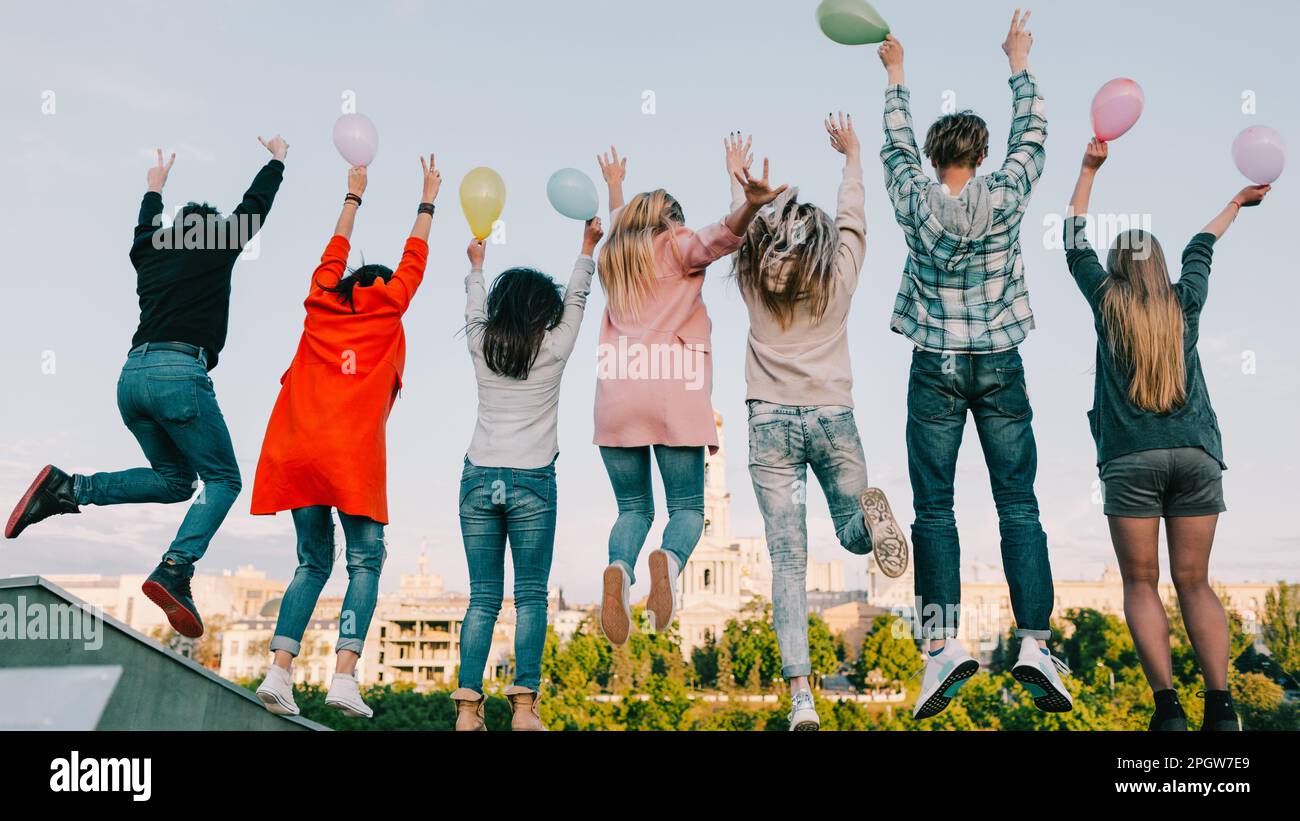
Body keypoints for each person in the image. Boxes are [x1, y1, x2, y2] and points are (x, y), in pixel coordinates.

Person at [5, 138, 288, 639]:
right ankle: (176, 567)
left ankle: (69, 489)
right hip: (179, 376)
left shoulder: (149, 254)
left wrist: (154, 190)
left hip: (131, 380)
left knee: (176, 481)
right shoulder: (218, 247)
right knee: (223, 480)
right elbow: (254, 207)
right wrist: (278, 159)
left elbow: (144, 228)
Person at [877, 11, 1072, 720]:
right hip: (998, 363)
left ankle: (940, 648)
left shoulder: (912, 199)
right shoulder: (1008, 193)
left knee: (935, 508)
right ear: (982, 156)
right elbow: (1037, 134)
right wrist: (1018, 61)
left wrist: (896, 74)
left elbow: (893, 145)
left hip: (934, 362)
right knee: (1017, 501)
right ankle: (1034, 642)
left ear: (935, 161)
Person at [1064, 137, 1268, 731]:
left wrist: (1088, 169)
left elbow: (1073, 240)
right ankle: (1223, 709)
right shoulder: (1186, 303)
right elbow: (1200, 246)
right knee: (1195, 582)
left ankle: (1167, 710)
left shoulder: (1107, 303)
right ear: (1156, 267)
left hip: (1131, 460)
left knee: (1142, 582)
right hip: (1197, 455)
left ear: (1119, 269)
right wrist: (1237, 200)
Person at [725, 119, 908, 731]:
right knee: (853, 532)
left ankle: (803, 696)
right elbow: (854, 219)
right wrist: (852, 157)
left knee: (787, 560)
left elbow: (743, 233)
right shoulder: (840, 277)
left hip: (769, 422)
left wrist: (739, 181)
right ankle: (868, 521)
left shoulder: (753, 279)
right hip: (833, 416)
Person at [252, 157, 439, 720]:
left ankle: (279, 671)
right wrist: (427, 196)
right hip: (350, 460)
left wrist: (353, 195)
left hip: (298, 451)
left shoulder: (318, 305)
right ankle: (343, 675)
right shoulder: (390, 311)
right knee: (364, 564)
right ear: (386, 291)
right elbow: (416, 257)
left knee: (312, 563)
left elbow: (332, 252)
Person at [593, 145, 785, 645]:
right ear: (672, 222)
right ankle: (670, 561)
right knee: (687, 511)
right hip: (673, 392)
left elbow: (619, 224)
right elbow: (721, 235)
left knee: (633, 509)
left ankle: (620, 567)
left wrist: (614, 183)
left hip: (617, 397)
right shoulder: (677, 245)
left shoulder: (614, 256)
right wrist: (752, 203)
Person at [449, 217, 605, 732]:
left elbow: (474, 304)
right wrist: (587, 247)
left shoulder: (480, 345)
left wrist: (477, 265)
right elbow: (579, 299)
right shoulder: (554, 349)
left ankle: (469, 710)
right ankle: (522, 709)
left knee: (482, 598)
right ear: (543, 311)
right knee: (532, 595)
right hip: (531, 481)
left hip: (478, 479)